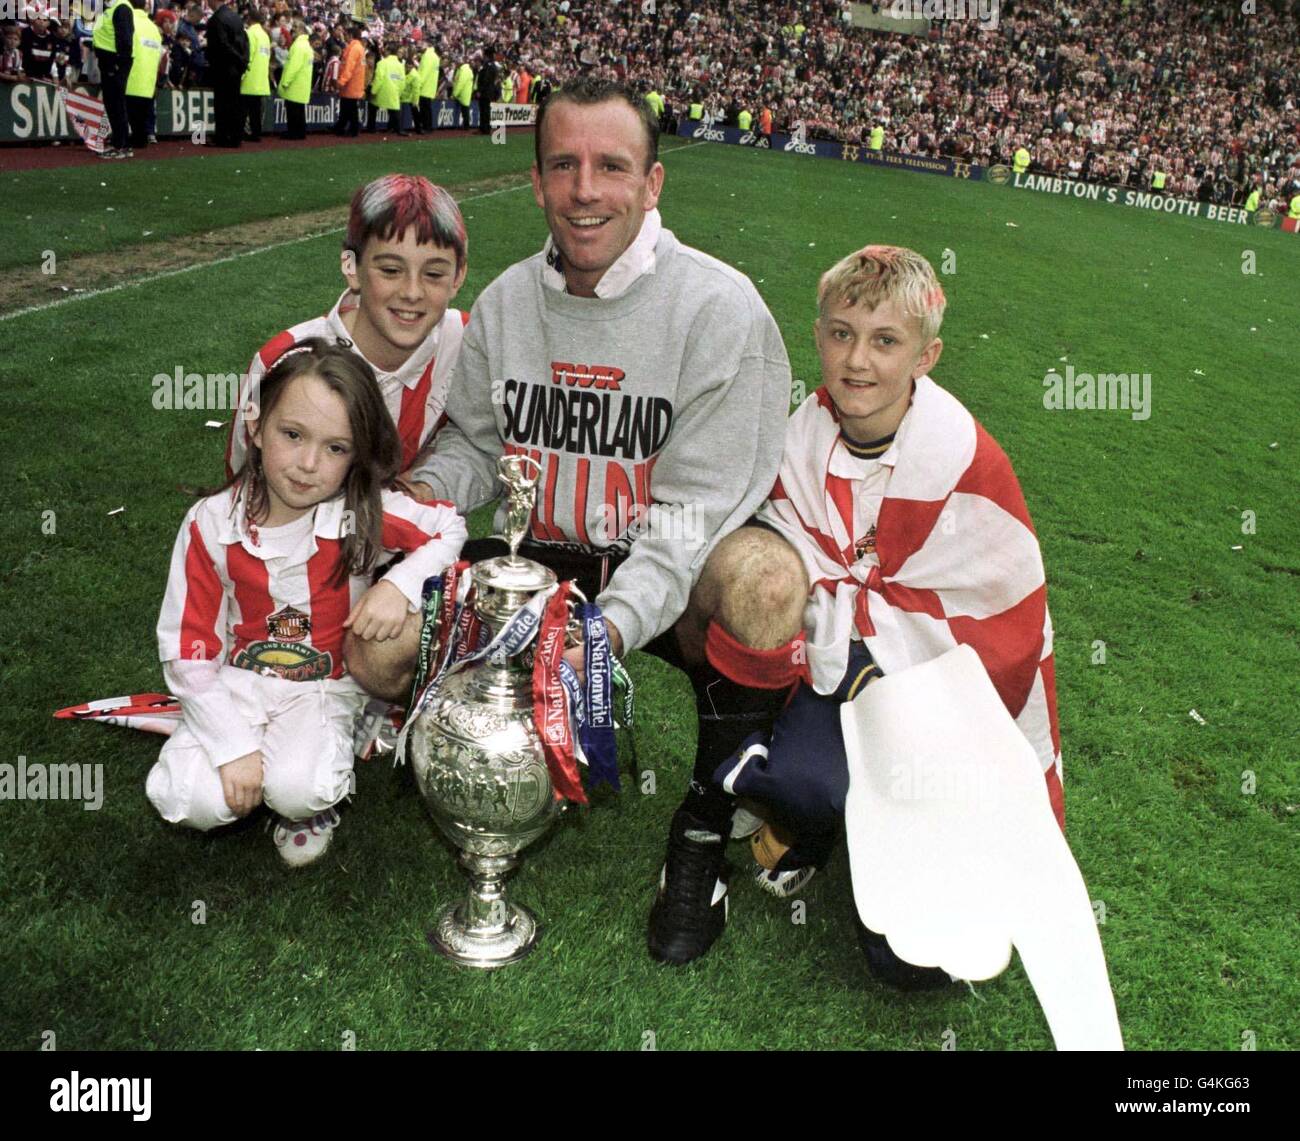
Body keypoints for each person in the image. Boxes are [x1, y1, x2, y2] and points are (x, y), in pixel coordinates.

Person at [352, 78, 802, 967]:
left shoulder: (722, 309)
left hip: (669, 566)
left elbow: (685, 523)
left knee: (768, 582)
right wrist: (401, 505)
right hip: (537, 554)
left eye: (611, 166)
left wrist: (592, 635)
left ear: (654, 183)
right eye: (564, 165)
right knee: (378, 646)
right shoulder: (512, 302)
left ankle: (704, 830)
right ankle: (447, 768)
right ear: (537, 182)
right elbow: (476, 450)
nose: (585, 189)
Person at [719, 245, 1063, 987]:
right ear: (817, 337)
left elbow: (1003, 616)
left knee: (910, 966)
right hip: (838, 666)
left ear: (927, 355)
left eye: (885, 341)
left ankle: (910, 835)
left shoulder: (965, 459)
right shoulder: (799, 435)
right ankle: (807, 826)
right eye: (841, 333)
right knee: (802, 783)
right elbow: (780, 545)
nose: (857, 360)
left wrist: (890, 649)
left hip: (936, 700)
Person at [147, 341, 467, 865]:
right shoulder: (210, 524)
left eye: (336, 448)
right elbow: (186, 651)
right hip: (240, 680)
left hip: (322, 684)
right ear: (255, 426)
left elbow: (448, 527)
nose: (309, 464)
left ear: (356, 456)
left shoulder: (359, 512)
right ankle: (247, 767)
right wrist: (233, 748)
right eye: (292, 435)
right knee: (186, 799)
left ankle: (309, 798)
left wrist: (398, 584)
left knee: (301, 789)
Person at [226, 174, 469, 489]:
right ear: (352, 267)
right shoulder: (282, 361)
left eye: (434, 273)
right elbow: (242, 488)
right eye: (391, 270)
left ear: (458, 276)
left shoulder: (470, 340)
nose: (412, 292)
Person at [91, 0, 135, 159]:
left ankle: (121, 145)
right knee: (113, 103)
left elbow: (125, 38)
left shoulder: (121, 7)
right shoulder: (109, 7)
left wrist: (118, 63)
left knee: (116, 103)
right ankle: (121, 142)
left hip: (115, 62)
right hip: (109, 62)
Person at [204, 1, 248, 147]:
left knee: (222, 104)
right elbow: (244, 42)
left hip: (223, 67)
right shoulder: (235, 17)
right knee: (235, 103)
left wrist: (237, 58)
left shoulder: (216, 19)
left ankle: (223, 137)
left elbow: (221, 45)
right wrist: (242, 61)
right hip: (236, 68)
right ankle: (235, 137)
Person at [124, 0, 163, 151]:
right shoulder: (153, 28)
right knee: (141, 121)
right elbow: (159, 55)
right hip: (148, 81)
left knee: (127, 117)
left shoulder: (128, 20)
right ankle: (139, 141)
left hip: (130, 78)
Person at [239, 5, 271, 142]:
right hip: (261, 79)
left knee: (244, 110)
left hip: (250, 79)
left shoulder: (250, 33)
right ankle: (256, 134)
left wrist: (242, 75)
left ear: (249, 19)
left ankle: (242, 133)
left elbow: (248, 55)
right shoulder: (265, 36)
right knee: (256, 111)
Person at [276, 17, 311, 140]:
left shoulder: (299, 46)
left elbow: (293, 67)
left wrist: (285, 82)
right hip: (302, 84)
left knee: (293, 111)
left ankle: (294, 133)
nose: (292, 29)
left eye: (295, 27)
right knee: (299, 111)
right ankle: (299, 132)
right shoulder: (306, 45)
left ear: (301, 30)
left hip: (295, 85)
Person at [335, 21, 365, 137]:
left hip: (350, 84)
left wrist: (341, 81)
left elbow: (348, 67)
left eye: (346, 35)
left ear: (351, 36)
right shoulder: (360, 48)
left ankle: (352, 130)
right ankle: (340, 127)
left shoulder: (354, 49)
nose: (345, 37)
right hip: (355, 84)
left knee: (350, 108)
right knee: (348, 108)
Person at [474, 47, 499, 135]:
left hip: (485, 91)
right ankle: (485, 129)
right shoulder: (493, 66)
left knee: (484, 110)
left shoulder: (488, 66)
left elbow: (485, 79)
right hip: (489, 91)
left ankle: (484, 129)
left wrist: (480, 90)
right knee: (486, 110)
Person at [417, 36, 440, 133]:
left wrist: (419, 84)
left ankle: (426, 127)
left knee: (424, 109)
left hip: (425, 87)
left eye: (422, 43)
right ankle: (429, 127)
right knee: (427, 108)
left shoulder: (427, 56)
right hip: (431, 87)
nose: (419, 45)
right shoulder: (435, 56)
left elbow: (424, 72)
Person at [450, 53, 472, 130]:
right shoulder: (463, 69)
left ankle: (466, 126)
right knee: (464, 111)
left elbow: (460, 83)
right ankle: (465, 125)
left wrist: (455, 94)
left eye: (457, 62)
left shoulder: (464, 70)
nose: (456, 63)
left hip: (463, 94)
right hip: (463, 93)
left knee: (464, 111)